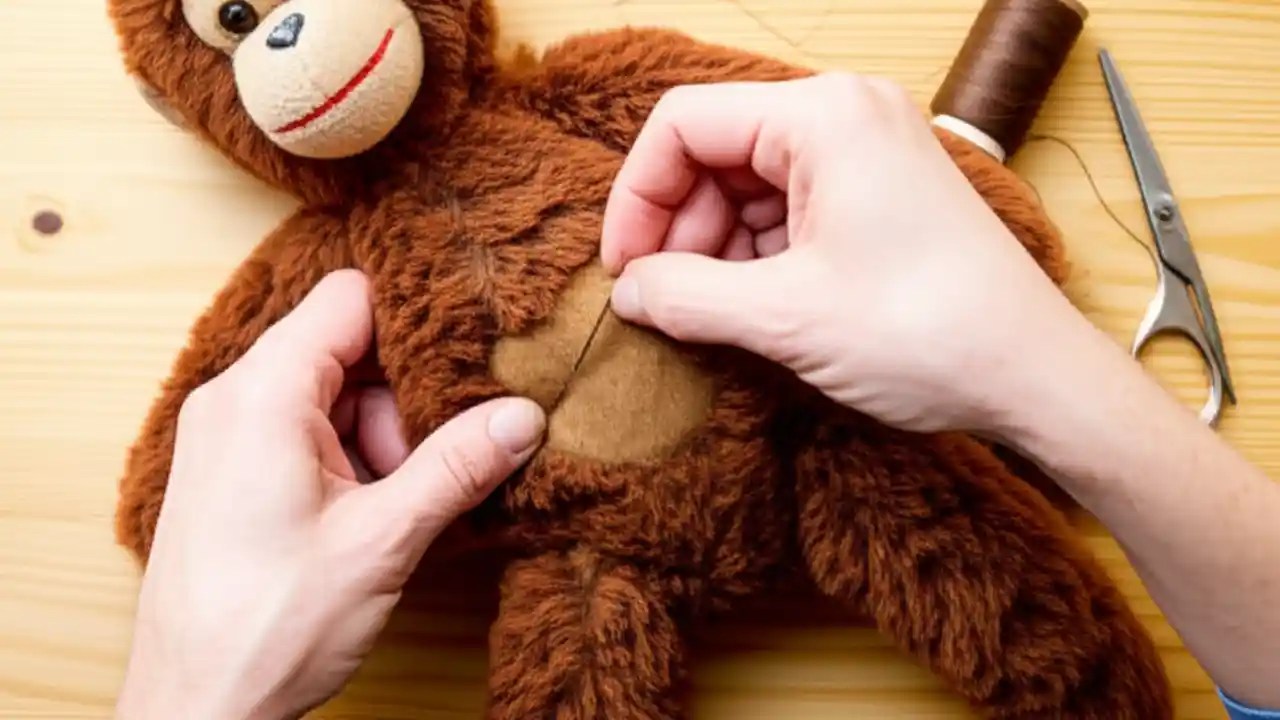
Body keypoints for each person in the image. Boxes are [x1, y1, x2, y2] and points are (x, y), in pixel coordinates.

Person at [112, 73, 1280, 720]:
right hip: (586, 556)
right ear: (189, 90)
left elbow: (744, 99)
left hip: (806, 426)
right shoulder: (314, 258)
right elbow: (178, 491)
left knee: (1024, 620)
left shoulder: (567, 93)